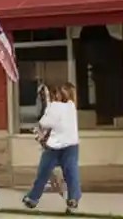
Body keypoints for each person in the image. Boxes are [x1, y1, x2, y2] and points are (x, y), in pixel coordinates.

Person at [23, 82, 81, 212]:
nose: (57, 94)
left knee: (43, 172)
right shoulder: (72, 106)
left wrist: (48, 109)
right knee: (72, 173)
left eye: (59, 92)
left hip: (54, 146)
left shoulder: (55, 106)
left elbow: (44, 122)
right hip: (71, 144)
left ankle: (32, 198)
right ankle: (73, 200)